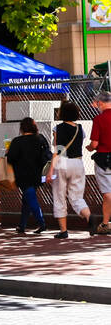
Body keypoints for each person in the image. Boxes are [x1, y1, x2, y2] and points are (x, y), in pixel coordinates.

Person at [50, 100, 91, 239]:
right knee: (77, 196)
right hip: (78, 162)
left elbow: (57, 150)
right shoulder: (80, 128)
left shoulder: (58, 128)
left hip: (62, 162)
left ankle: (63, 230)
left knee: (59, 196)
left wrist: (50, 170)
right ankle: (88, 217)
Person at [5, 117, 50, 234]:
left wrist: (7, 152)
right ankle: (22, 225)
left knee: (30, 198)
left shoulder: (17, 141)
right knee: (27, 199)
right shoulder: (41, 139)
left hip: (23, 175)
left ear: (22, 128)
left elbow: (10, 159)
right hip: (38, 173)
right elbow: (47, 155)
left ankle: (41, 222)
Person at [88, 91, 111, 234]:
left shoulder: (98, 119)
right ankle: (104, 223)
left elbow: (95, 144)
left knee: (107, 193)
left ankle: (105, 223)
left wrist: (89, 147)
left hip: (104, 158)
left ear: (100, 103)